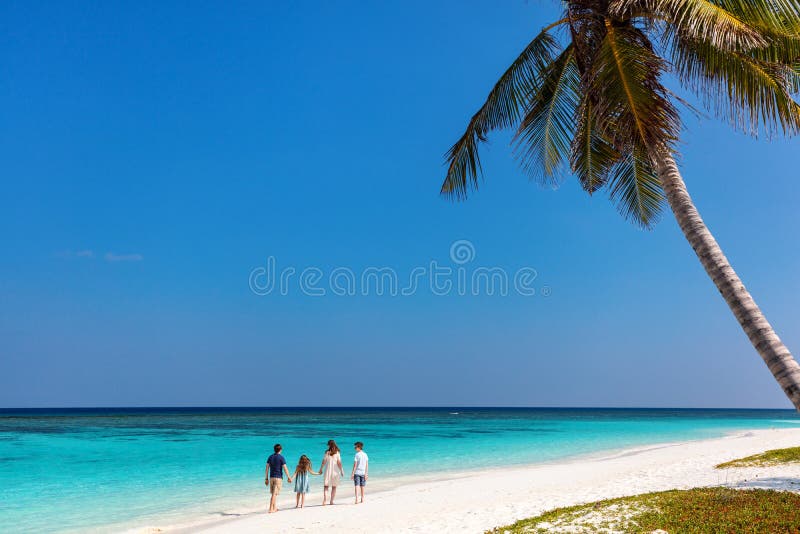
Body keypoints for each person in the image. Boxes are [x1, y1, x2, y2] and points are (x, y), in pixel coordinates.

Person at [265, 443, 292, 513]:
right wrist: (289, 477)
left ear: (274, 450)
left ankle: (275, 507)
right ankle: (270, 509)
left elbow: (267, 468)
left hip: (271, 477)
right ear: (281, 450)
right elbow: (285, 468)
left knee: (274, 493)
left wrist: (266, 478)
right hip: (278, 478)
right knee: (274, 494)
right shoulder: (281, 457)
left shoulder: (270, 457)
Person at [318, 439, 344, 505]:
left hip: (328, 471)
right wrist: (341, 470)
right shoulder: (337, 452)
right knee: (334, 487)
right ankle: (331, 501)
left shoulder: (327, 452)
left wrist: (320, 469)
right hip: (335, 471)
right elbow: (339, 463)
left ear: (329, 445)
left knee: (326, 486)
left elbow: (323, 461)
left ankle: (324, 500)